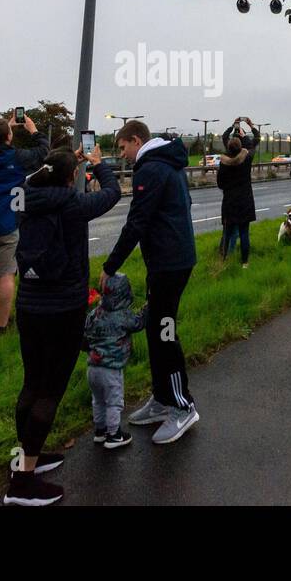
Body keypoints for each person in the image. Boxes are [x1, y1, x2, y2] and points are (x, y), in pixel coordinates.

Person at [7, 144, 120, 505]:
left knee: (31, 383)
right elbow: (113, 193)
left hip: (29, 306)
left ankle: (26, 459)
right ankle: (22, 485)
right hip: (64, 309)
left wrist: (62, 163)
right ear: (72, 177)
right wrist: (99, 164)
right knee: (49, 392)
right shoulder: (72, 205)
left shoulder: (24, 199)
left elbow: (30, 180)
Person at [101, 121, 200, 447]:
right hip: (170, 259)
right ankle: (162, 399)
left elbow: (136, 223)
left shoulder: (151, 169)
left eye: (122, 147)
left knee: (163, 331)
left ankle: (181, 406)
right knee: (157, 329)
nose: (122, 154)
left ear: (136, 140)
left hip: (170, 262)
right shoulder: (167, 163)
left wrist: (110, 265)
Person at [0, 114, 49, 335]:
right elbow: (44, 152)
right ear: (8, 137)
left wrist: (6, 127)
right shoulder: (16, 157)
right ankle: (2, 326)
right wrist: (32, 130)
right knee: (6, 275)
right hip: (6, 224)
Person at [84, 271, 146, 449]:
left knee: (98, 400)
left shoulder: (95, 313)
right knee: (114, 402)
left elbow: (85, 332)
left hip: (92, 368)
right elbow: (138, 323)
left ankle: (100, 431)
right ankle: (114, 434)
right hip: (111, 369)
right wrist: (147, 309)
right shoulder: (123, 316)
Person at [217, 117, 258, 267]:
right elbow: (254, 141)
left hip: (229, 201)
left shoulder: (224, 163)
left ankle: (222, 260)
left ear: (228, 147)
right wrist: (249, 127)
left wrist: (232, 126)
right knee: (244, 233)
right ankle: (245, 263)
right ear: (242, 148)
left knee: (227, 233)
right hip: (245, 200)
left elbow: (220, 184)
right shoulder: (247, 159)